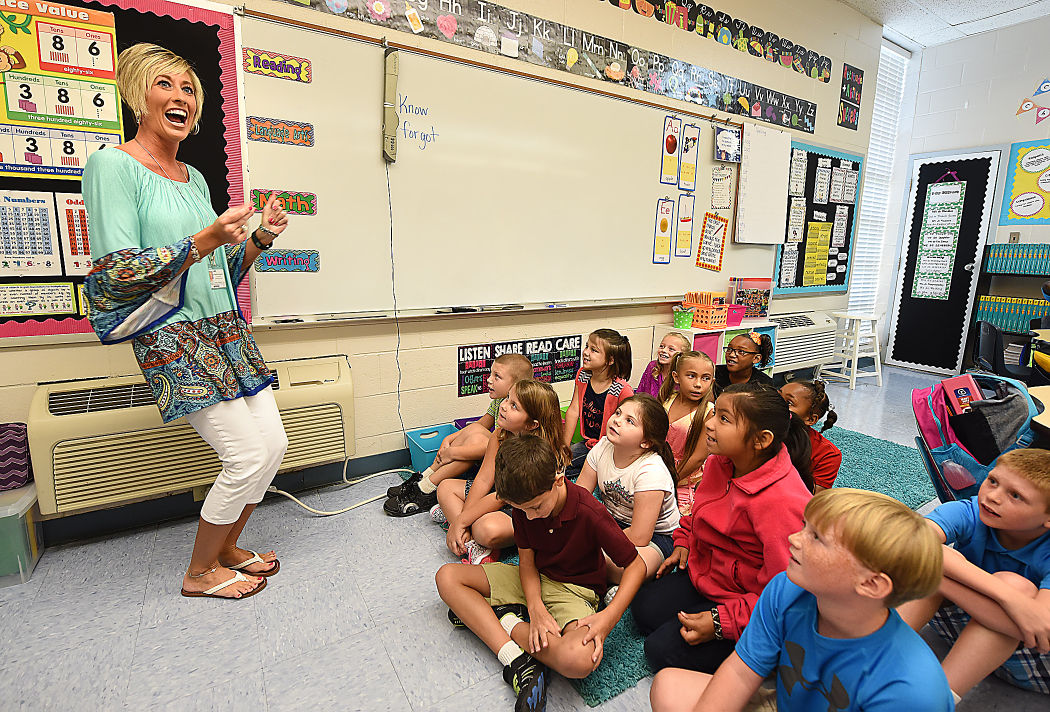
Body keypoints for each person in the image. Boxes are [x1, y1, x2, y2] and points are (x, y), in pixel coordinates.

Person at [83, 44, 290, 599]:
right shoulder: (112, 166)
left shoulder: (193, 177)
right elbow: (117, 272)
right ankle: (199, 573)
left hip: (225, 328)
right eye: (165, 85)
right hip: (173, 334)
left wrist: (258, 239)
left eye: (190, 89)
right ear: (137, 96)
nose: (181, 97)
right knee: (244, 454)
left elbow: (218, 267)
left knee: (272, 445)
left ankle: (227, 549)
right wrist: (206, 239)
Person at [650, 489, 952, 712]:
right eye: (805, 526)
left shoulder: (911, 690)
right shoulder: (787, 589)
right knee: (669, 687)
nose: (794, 538)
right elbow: (741, 673)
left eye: (817, 537)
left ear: (871, 583)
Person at [436, 435, 646, 712]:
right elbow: (526, 561)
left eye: (536, 507)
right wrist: (534, 607)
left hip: (575, 590)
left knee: (580, 660)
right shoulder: (525, 506)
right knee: (447, 577)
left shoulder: (589, 511)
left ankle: (505, 618)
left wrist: (609, 617)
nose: (531, 516)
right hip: (532, 580)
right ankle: (515, 659)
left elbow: (636, 566)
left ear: (558, 480)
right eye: (523, 510)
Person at [632, 383, 812, 673]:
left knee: (660, 650)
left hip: (755, 604)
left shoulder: (783, 502)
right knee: (643, 610)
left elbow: (787, 594)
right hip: (710, 577)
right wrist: (684, 540)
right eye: (715, 413)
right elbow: (699, 512)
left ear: (761, 439)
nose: (710, 424)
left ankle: (766, 655)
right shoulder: (719, 463)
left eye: (724, 419)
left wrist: (723, 623)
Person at [898, 448, 1050, 699]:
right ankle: (863, 658)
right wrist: (1009, 599)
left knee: (1011, 584)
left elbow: (1041, 628)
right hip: (970, 634)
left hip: (1035, 663)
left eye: (1015, 495)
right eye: (992, 481)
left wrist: (941, 578)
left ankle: (932, 702)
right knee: (924, 557)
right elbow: (907, 540)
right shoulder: (970, 512)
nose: (993, 497)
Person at [385, 353, 534, 516]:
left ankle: (425, 490)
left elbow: (492, 448)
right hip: (491, 461)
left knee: (475, 443)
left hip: (502, 471)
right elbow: (480, 425)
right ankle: (425, 478)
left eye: (497, 376)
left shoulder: (519, 414)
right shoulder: (501, 402)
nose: (489, 380)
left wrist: (452, 452)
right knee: (474, 431)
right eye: (491, 373)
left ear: (516, 385)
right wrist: (449, 439)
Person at [438, 379, 570, 564]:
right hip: (499, 495)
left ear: (532, 424)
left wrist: (460, 521)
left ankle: (473, 538)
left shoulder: (537, 453)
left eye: (514, 406)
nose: (504, 406)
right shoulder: (500, 435)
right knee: (445, 488)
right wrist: (463, 520)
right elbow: (484, 479)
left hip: (524, 508)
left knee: (486, 529)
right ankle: (471, 541)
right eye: (507, 398)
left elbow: (503, 497)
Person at [575, 395, 681, 586]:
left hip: (656, 537)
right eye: (618, 413)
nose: (617, 420)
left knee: (622, 568)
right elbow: (579, 496)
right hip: (614, 522)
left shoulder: (651, 471)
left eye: (629, 421)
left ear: (646, 442)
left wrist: (591, 543)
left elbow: (640, 536)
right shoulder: (603, 446)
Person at [562, 328, 634, 474]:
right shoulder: (583, 375)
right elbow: (573, 410)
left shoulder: (621, 390)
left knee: (561, 469)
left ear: (610, 360)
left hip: (610, 448)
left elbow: (629, 428)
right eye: (587, 346)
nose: (586, 352)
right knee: (556, 461)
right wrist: (564, 447)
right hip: (588, 444)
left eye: (594, 350)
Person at [658, 351, 716, 513]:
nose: (698, 384)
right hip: (657, 467)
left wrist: (669, 481)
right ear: (676, 377)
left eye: (705, 378)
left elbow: (697, 458)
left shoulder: (709, 412)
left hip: (682, 480)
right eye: (691, 376)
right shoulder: (668, 399)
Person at [780, 380, 841, 492]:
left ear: (810, 419)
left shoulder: (827, 454)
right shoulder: (758, 430)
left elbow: (813, 499)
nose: (776, 403)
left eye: (789, 403)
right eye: (777, 396)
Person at [636, 332, 692, 398]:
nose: (664, 350)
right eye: (662, 346)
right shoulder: (652, 366)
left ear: (682, 355)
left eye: (671, 349)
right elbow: (640, 393)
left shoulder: (684, 376)